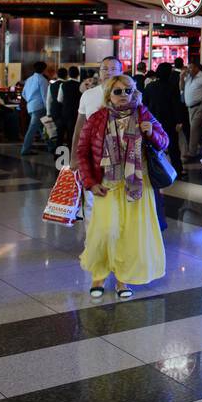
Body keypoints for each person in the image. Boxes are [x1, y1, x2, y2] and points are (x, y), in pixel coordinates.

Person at [74, 75, 169, 301]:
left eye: (128, 90)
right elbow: (83, 152)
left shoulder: (143, 113)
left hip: (138, 184)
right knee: (105, 230)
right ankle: (98, 275)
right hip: (108, 184)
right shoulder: (98, 118)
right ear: (109, 95)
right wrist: (90, 182)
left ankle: (122, 278)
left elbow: (164, 142)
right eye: (118, 92)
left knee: (130, 233)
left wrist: (151, 132)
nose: (123, 95)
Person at [71, 57, 123, 164]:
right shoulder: (88, 95)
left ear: (121, 73)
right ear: (99, 72)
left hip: (122, 155)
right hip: (94, 153)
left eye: (113, 69)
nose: (108, 72)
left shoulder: (128, 95)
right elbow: (79, 128)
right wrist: (74, 157)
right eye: (104, 69)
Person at [142, 61, 185, 182]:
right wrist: (178, 121)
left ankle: (154, 170)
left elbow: (144, 104)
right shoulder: (172, 86)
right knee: (173, 146)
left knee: (153, 146)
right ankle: (177, 169)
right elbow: (176, 105)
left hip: (153, 121)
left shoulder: (150, 87)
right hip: (169, 121)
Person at [19, 61, 49, 156]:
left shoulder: (29, 79)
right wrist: (48, 108)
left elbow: (23, 93)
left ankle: (51, 146)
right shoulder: (42, 80)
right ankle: (25, 149)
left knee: (42, 127)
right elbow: (45, 96)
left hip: (31, 106)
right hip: (39, 107)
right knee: (33, 129)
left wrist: (30, 100)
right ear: (44, 69)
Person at [183, 59, 202, 159]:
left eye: (191, 67)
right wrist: (181, 78)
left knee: (194, 128)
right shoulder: (188, 77)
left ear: (197, 68)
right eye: (188, 67)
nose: (189, 69)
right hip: (190, 108)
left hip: (200, 106)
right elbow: (181, 88)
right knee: (197, 129)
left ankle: (192, 152)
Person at [53, 66, 82, 149]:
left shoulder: (63, 85)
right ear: (78, 74)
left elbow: (59, 99)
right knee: (72, 134)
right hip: (76, 113)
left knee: (60, 135)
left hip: (64, 113)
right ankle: (71, 153)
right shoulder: (80, 85)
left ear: (68, 74)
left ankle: (57, 154)